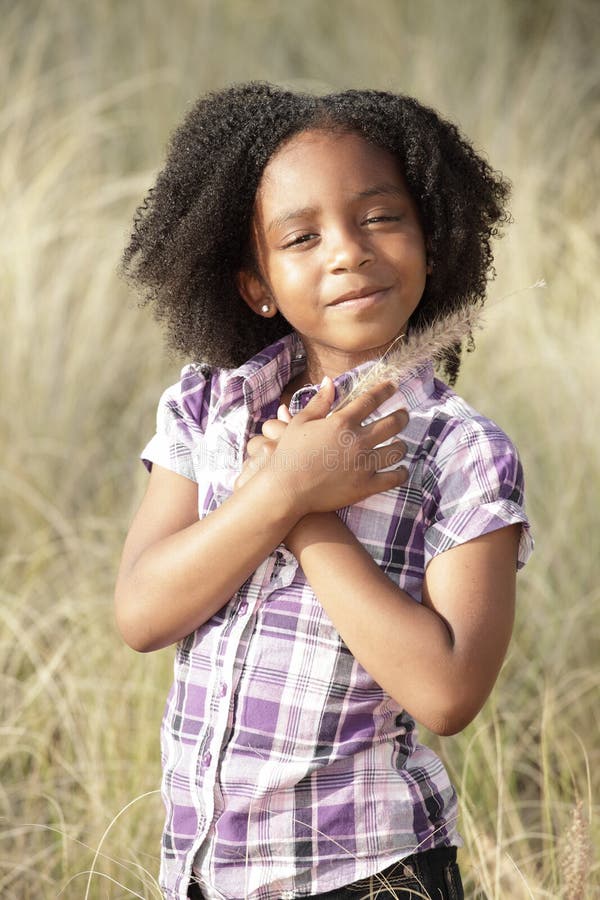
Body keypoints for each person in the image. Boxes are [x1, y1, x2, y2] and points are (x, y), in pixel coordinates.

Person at [115, 82, 533, 900]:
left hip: (371, 871)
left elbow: (447, 693)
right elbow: (141, 613)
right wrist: (276, 490)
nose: (348, 251)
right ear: (255, 284)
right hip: (205, 872)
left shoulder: (463, 451)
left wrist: (309, 514)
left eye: (380, 217)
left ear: (432, 238)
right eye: (301, 236)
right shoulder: (209, 408)